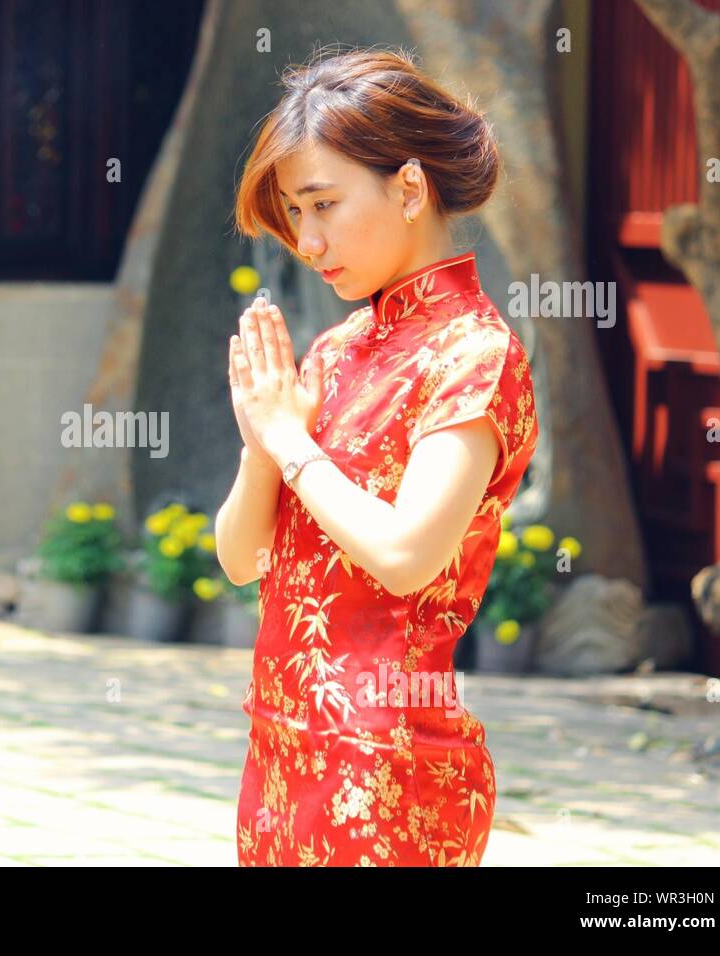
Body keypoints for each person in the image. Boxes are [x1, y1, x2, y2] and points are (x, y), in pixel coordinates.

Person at [217, 46, 539, 866]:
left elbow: (405, 556)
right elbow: (242, 559)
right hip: (283, 755)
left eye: (324, 204)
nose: (308, 240)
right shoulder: (335, 349)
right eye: (296, 212)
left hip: (393, 771)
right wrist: (263, 437)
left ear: (409, 186)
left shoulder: (475, 355)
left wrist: (290, 441)